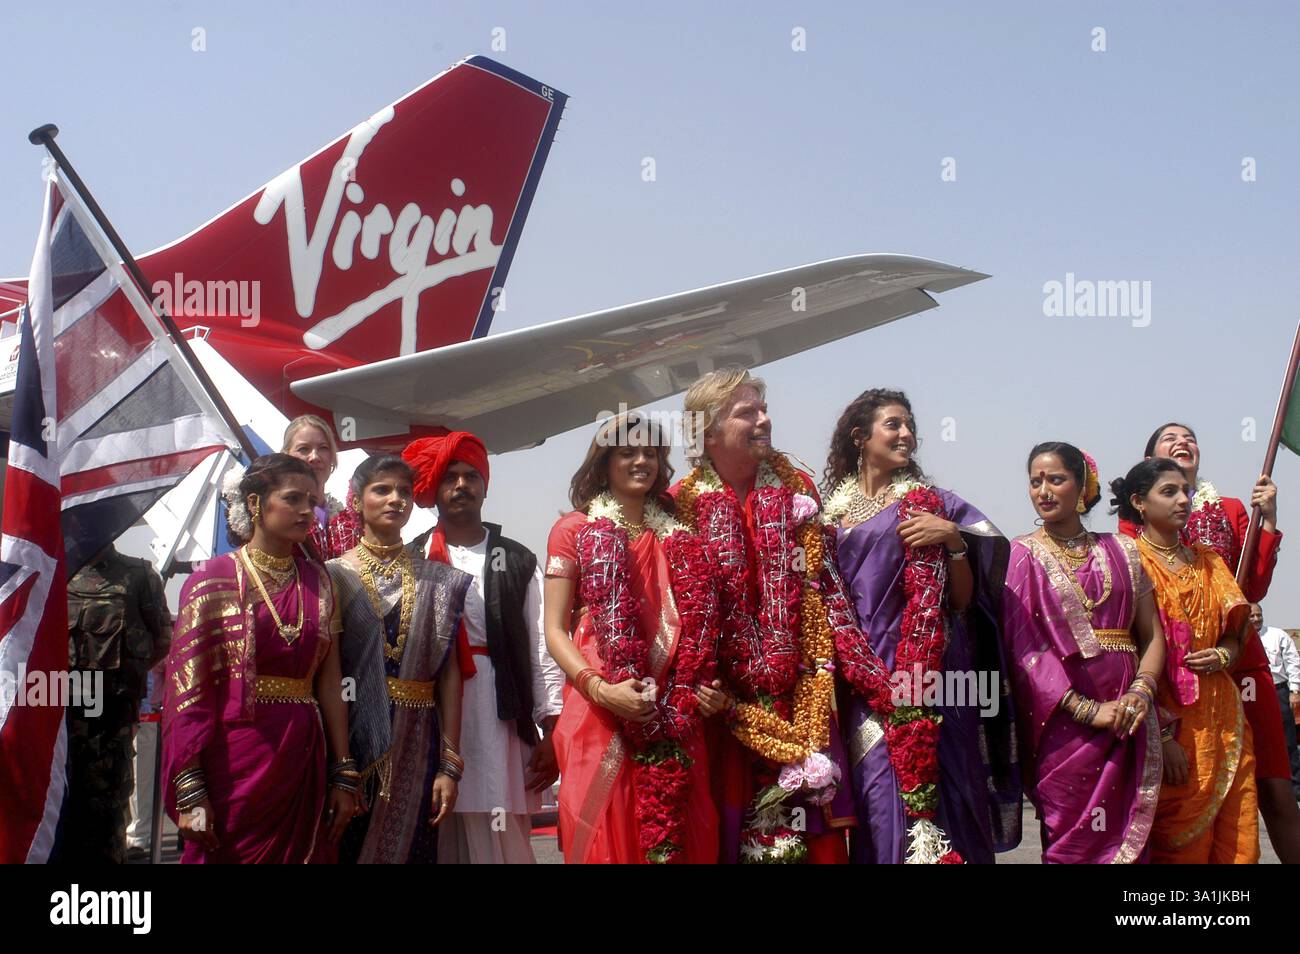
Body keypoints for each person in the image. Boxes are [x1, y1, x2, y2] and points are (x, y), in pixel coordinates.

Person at [669, 368, 894, 864]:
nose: (765, 420)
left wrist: (870, 676)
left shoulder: (800, 491)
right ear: (707, 432)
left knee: (815, 837)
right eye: (747, 412)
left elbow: (830, 591)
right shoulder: (679, 505)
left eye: (764, 409)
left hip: (803, 691)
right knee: (734, 835)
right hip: (722, 707)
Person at [821, 388, 1020, 864]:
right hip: (865, 683)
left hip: (933, 680)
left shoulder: (932, 505)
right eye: (893, 424)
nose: (906, 433)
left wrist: (952, 540)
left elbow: (965, 599)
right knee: (880, 804)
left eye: (910, 425)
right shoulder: (828, 518)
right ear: (859, 437)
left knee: (948, 799)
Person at [544, 412, 724, 863]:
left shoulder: (683, 533)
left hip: (673, 705)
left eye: (651, 453)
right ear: (604, 463)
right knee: (604, 823)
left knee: (682, 822)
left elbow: (703, 620)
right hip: (600, 707)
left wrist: (704, 685)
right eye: (627, 453)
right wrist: (600, 689)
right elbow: (552, 629)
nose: (641, 461)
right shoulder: (575, 530)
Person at [162, 454, 360, 863]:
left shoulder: (321, 581)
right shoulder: (210, 580)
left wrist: (343, 770)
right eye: (293, 499)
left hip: (303, 754)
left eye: (313, 500)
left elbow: (330, 680)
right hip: (234, 759)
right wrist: (190, 785)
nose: (308, 511)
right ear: (255, 504)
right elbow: (186, 695)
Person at [1120, 422, 1297, 860]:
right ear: (1142, 493)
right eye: (1169, 439)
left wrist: (1269, 520)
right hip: (1166, 683)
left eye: (1190, 437)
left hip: (1238, 672)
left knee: (1274, 788)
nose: (1183, 442)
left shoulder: (1232, 513)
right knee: (1178, 801)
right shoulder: (1128, 541)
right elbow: (1133, 628)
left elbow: (1248, 591)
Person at [403, 431, 565, 864]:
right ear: (434, 488)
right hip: (431, 717)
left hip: (500, 714)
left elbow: (541, 647)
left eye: (470, 476)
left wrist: (551, 729)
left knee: (501, 831)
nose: (461, 485)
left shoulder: (516, 559)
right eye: (450, 477)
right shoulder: (411, 559)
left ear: (485, 486)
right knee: (435, 828)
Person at [1001, 443, 1165, 863]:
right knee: (1071, 841)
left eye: (1056, 479)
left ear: (1083, 485)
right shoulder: (1023, 555)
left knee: (1129, 837)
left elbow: (1151, 635)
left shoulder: (1124, 551)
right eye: (1035, 481)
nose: (1044, 490)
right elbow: (1025, 650)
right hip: (1064, 724)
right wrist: (1089, 711)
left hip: (1130, 715)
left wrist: (1141, 693)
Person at [1116, 458, 1259, 863]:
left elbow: (1236, 635)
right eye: (1169, 492)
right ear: (1139, 502)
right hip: (1167, 725)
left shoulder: (1210, 561)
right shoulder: (1128, 562)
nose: (1183, 500)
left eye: (1186, 491)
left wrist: (1223, 653)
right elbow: (1125, 656)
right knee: (1177, 842)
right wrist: (1162, 735)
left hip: (1226, 722)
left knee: (1238, 837)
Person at [330, 455, 469, 864]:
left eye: (405, 492)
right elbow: (329, 673)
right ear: (356, 501)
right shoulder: (335, 574)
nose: (396, 500)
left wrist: (449, 765)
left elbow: (449, 676)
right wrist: (339, 762)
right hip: (354, 739)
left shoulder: (438, 578)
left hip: (420, 740)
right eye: (382, 490)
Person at [55, 544, 171, 863]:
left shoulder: (140, 576)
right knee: (54, 819)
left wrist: (119, 683)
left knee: (105, 819)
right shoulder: (53, 568)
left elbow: (161, 641)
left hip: (109, 724)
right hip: (54, 720)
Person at [283, 414, 362, 560]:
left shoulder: (350, 522)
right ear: (286, 455)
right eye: (303, 449)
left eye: (323, 448)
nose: (315, 457)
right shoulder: (279, 518)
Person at [1253, 604, 1300, 798]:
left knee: (1287, 741)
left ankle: (1295, 788)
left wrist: (1295, 690)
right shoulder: (1239, 639)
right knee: (1255, 741)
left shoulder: (1277, 635)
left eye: (1259, 615)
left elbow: (1292, 662)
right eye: (1252, 616)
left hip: (1278, 692)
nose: (1256, 619)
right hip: (1251, 693)